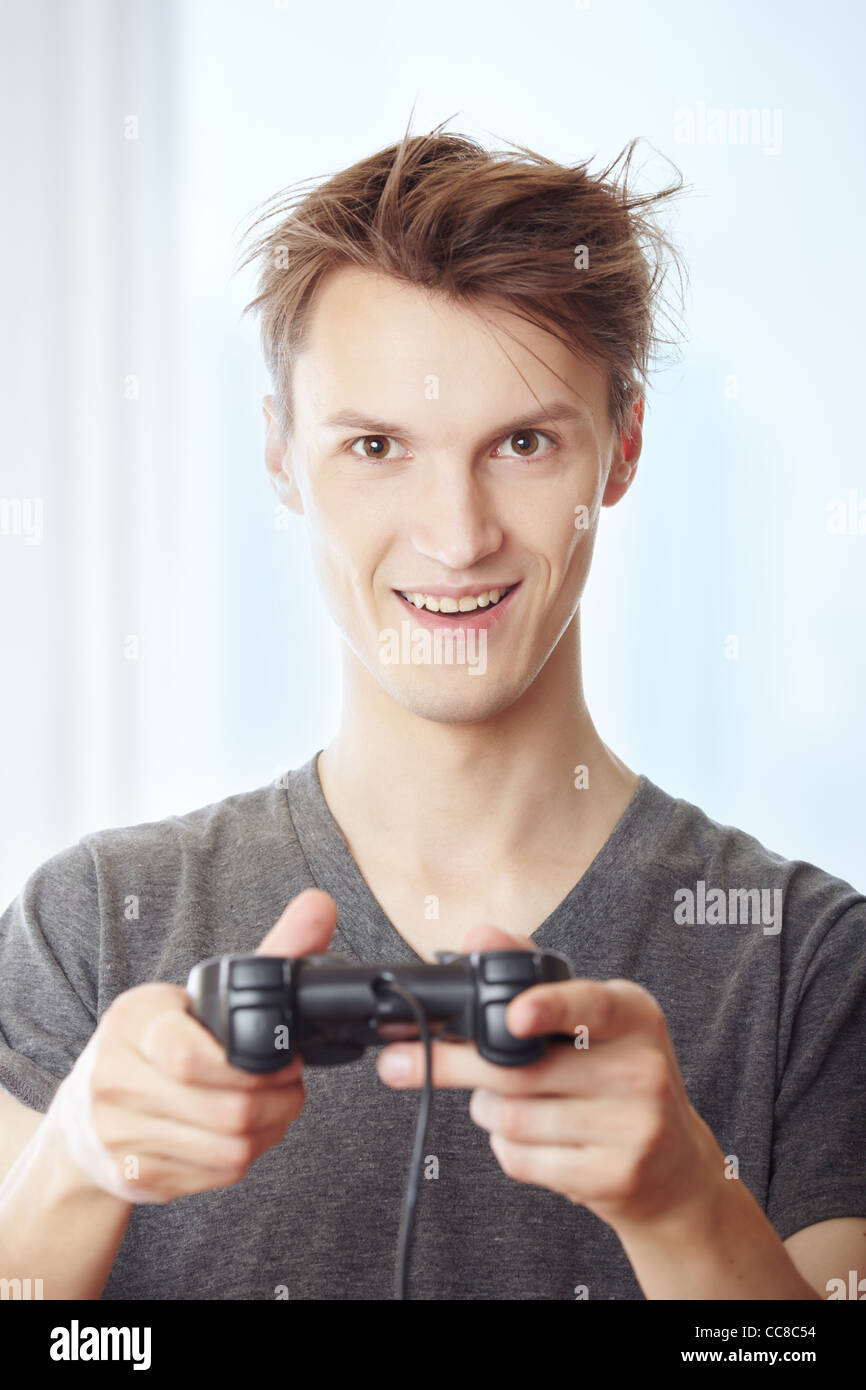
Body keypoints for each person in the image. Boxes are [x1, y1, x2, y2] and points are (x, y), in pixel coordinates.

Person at [1, 125, 864, 1302]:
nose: (455, 537)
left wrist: (686, 1210)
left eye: (520, 442)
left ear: (621, 445)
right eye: (374, 446)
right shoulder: (87, 931)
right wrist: (74, 1171)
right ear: (279, 455)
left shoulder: (805, 965)